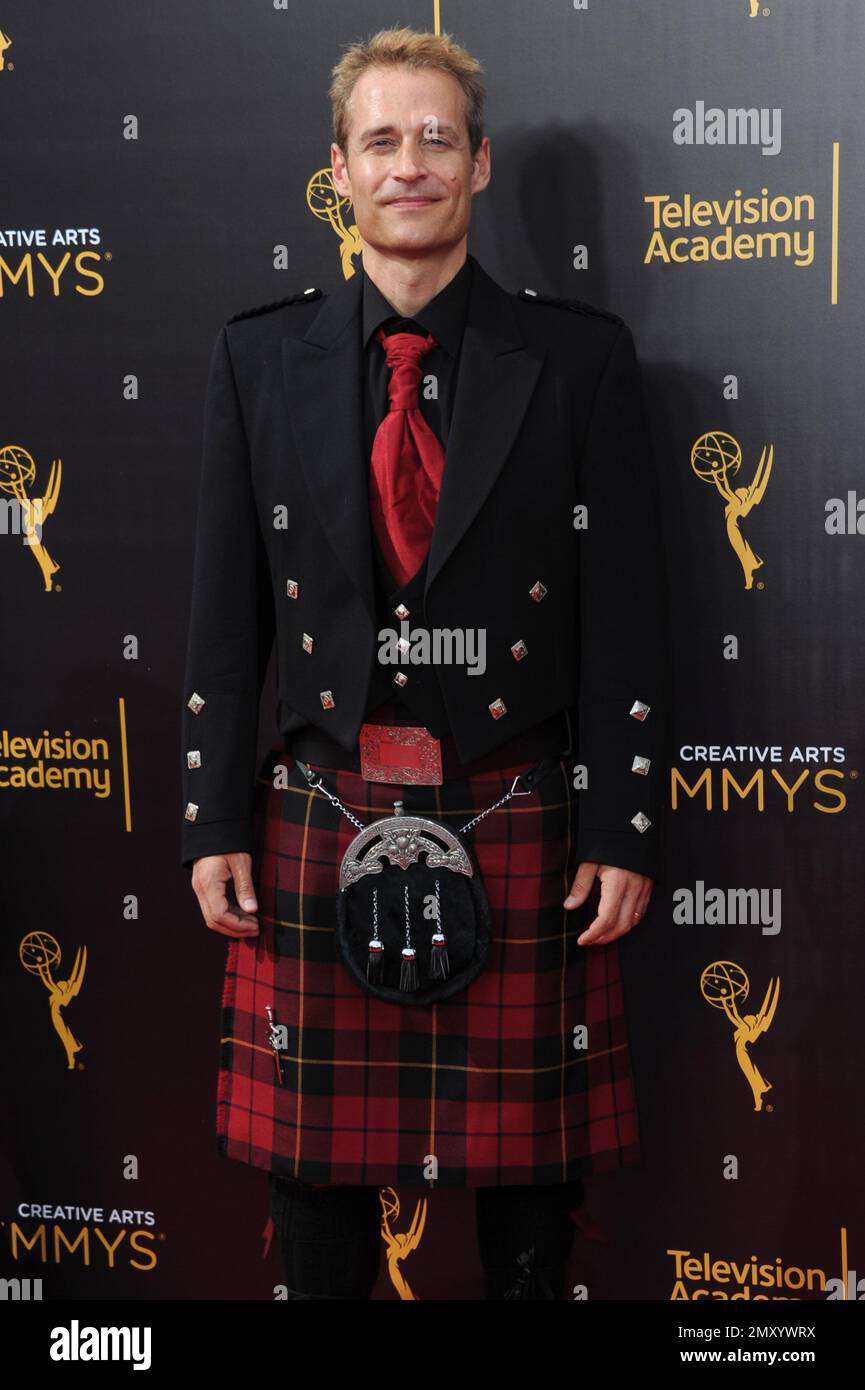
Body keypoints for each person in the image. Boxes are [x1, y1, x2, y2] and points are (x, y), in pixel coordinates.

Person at [180, 25, 668, 1300]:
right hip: (321, 803)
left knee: (528, 1205)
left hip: (516, 804)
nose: (411, 164)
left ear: (481, 164)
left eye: (436, 138)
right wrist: (206, 817)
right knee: (318, 1192)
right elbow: (223, 615)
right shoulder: (256, 358)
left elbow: (625, 616)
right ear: (336, 168)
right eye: (381, 140)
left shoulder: (575, 361)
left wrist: (622, 823)